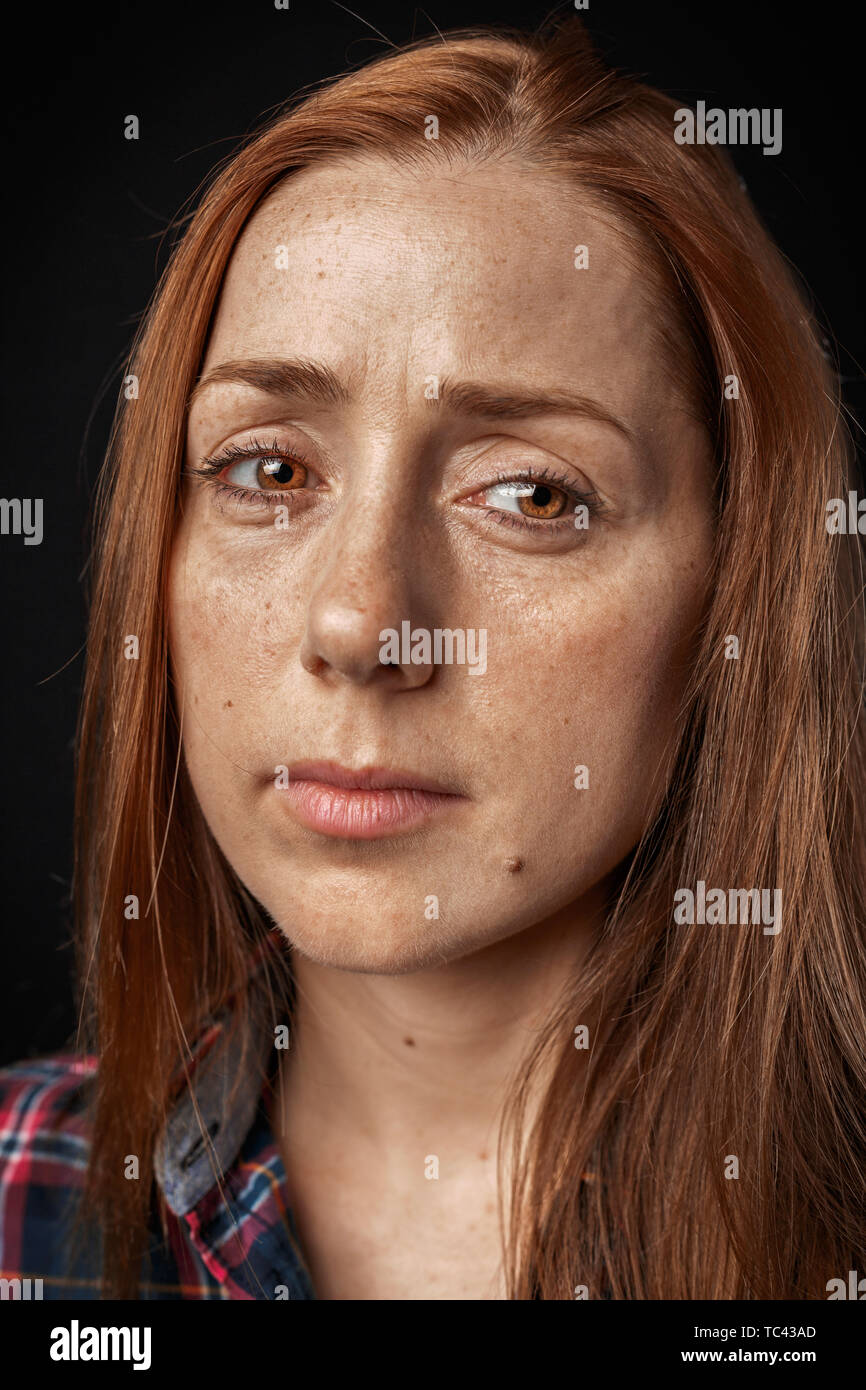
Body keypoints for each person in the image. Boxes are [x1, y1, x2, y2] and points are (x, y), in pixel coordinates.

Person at [1, 15, 864, 1301]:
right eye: (269, 468)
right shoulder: (25, 1198)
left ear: (736, 591)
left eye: (529, 494)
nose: (360, 627)